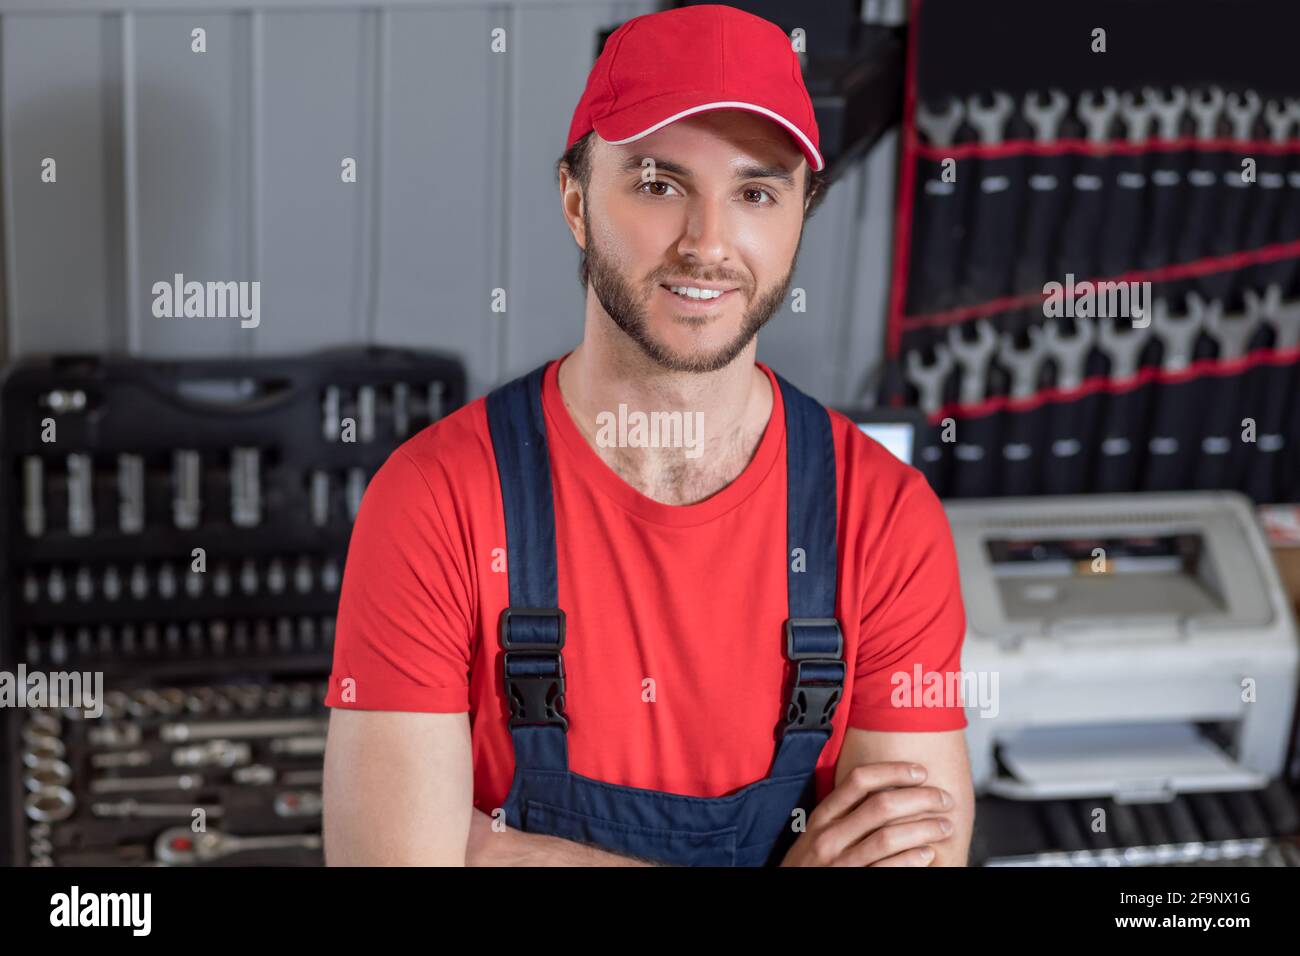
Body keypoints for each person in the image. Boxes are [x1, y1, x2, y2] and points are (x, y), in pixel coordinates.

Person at [323, 3, 974, 866]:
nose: (708, 243)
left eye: (755, 191)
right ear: (576, 201)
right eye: (659, 183)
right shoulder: (436, 501)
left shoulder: (885, 520)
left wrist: (495, 852)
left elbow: (918, 855)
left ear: (799, 215)